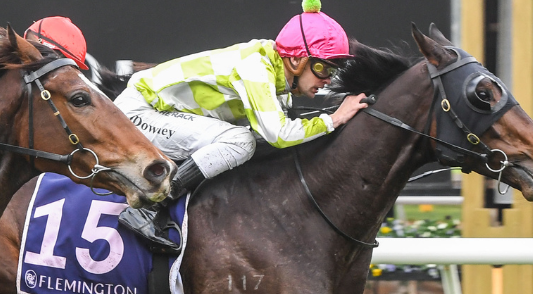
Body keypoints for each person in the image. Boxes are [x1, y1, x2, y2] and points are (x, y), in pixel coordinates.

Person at [114, 0, 367, 251]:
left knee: (247, 141)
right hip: (140, 113)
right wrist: (333, 119)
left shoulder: (276, 82)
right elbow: (279, 135)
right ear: (296, 60)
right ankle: (151, 208)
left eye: (333, 72)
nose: (327, 80)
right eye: (323, 69)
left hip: (160, 112)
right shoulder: (255, 68)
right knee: (240, 142)